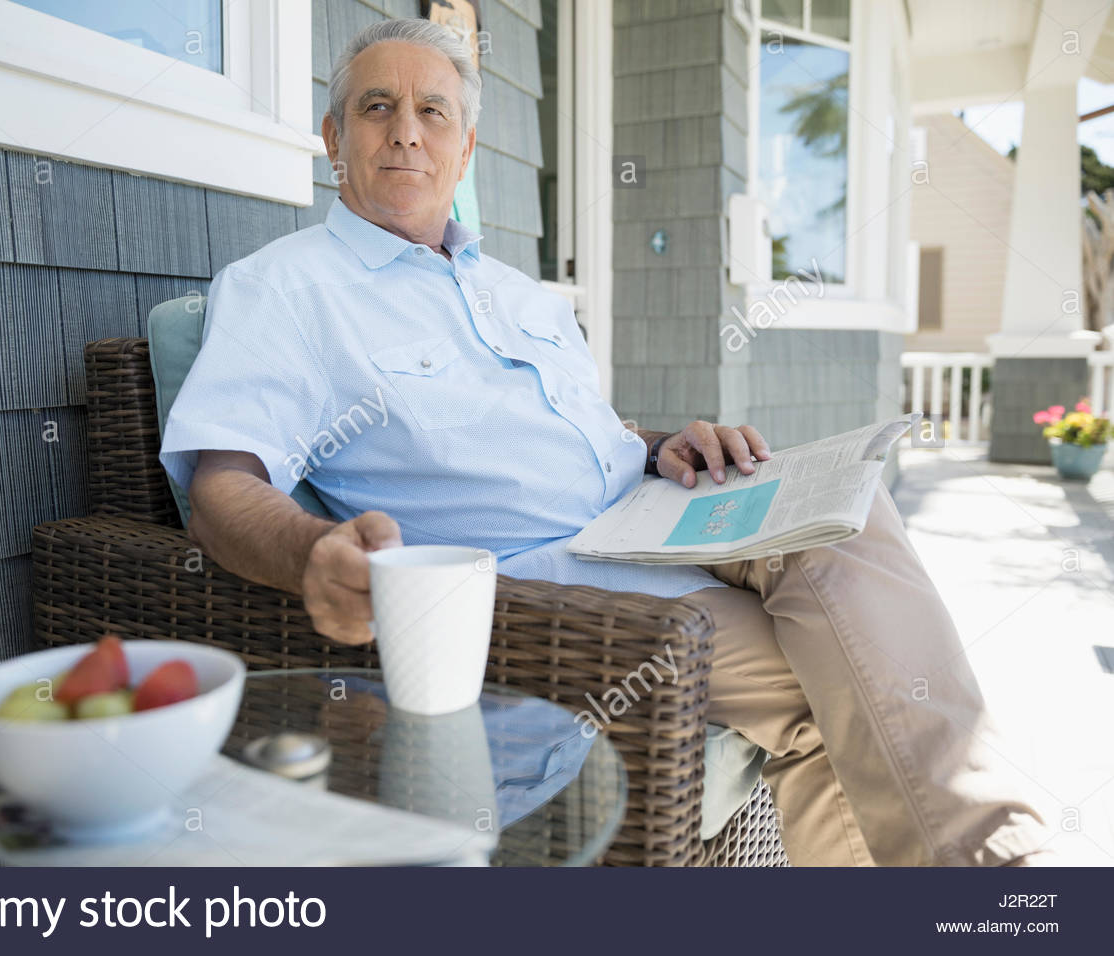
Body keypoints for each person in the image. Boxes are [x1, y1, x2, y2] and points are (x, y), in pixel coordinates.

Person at [159, 18, 1052, 866]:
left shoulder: (517, 292)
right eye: (376, 108)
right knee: (833, 685)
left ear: (465, 148)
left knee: (851, 520)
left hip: (657, 506)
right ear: (332, 138)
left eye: (434, 112)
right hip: (554, 574)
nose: (405, 133)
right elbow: (222, 492)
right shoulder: (287, 289)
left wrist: (666, 445)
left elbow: (588, 430)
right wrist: (314, 552)